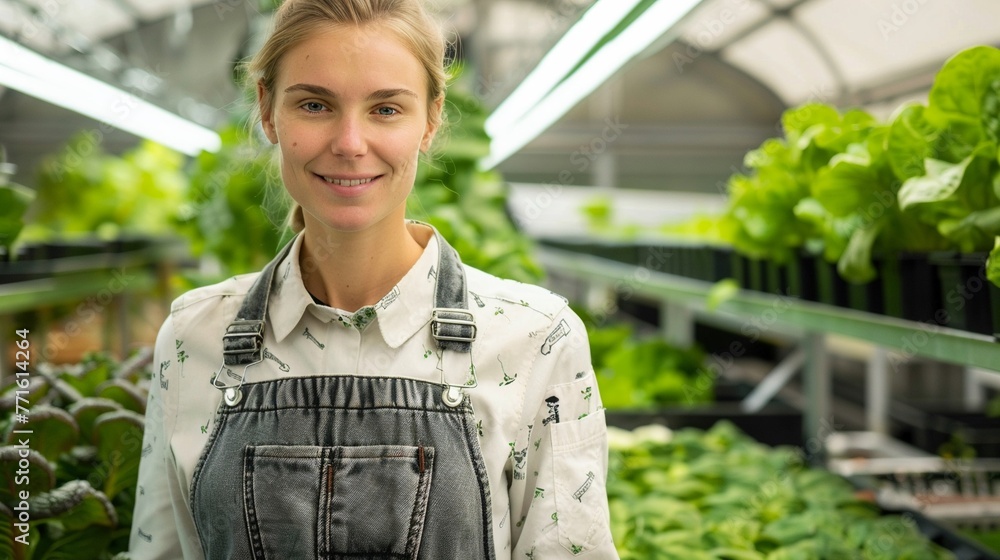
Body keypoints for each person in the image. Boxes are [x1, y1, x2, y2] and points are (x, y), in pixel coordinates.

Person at [130, 0, 618, 558]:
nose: (349, 143)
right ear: (267, 111)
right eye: (315, 105)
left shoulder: (536, 342)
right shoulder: (193, 338)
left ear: (430, 120)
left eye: (386, 109)